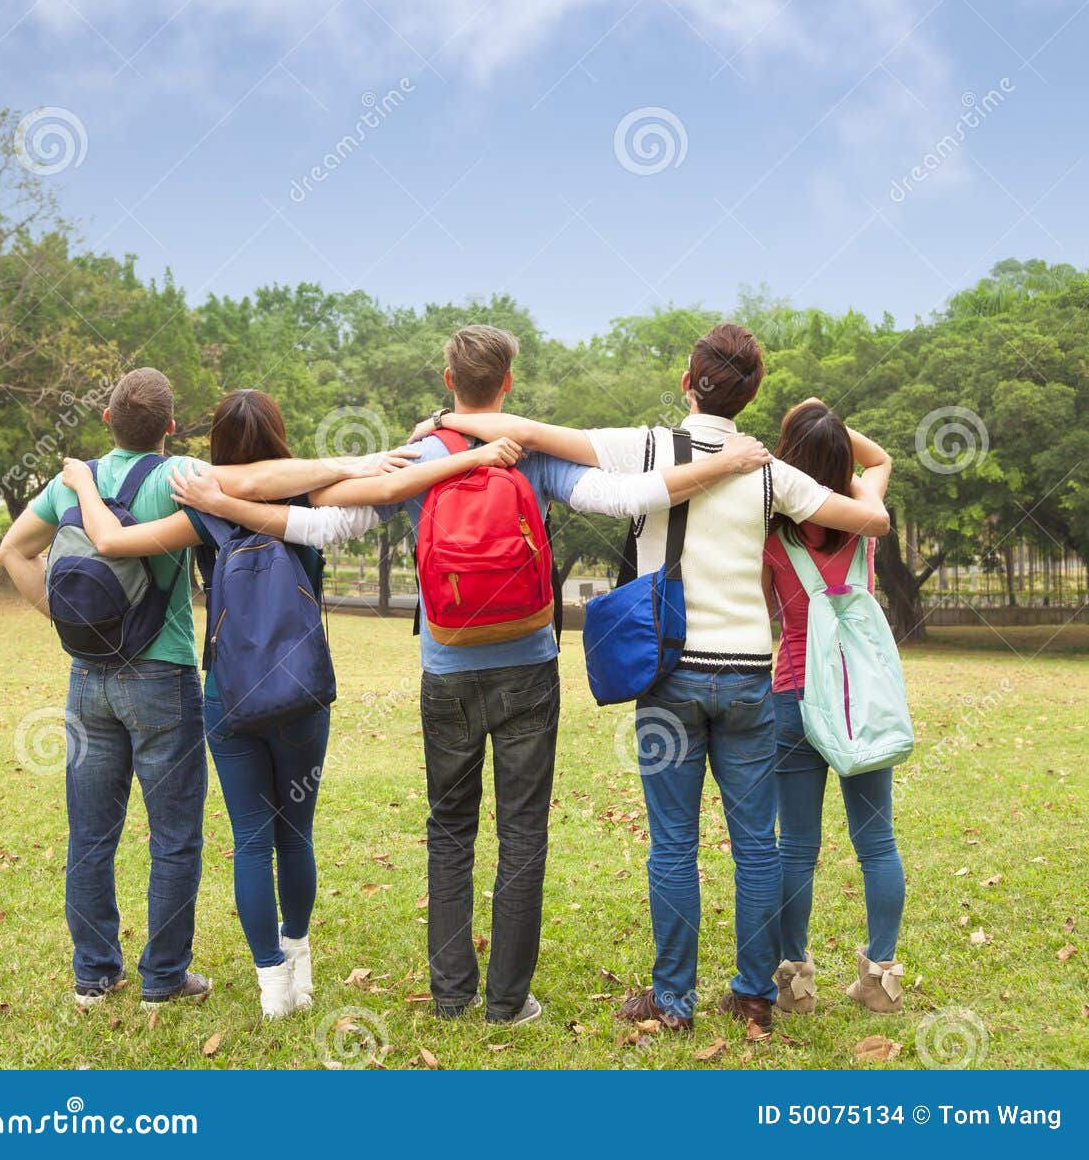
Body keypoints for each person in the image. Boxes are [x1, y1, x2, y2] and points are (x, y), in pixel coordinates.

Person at [419, 324, 892, 1033]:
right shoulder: (768, 469)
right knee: (755, 843)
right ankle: (754, 996)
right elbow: (871, 520)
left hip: (668, 675)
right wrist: (847, 446)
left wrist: (447, 420)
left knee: (673, 843)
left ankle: (672, 1000)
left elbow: (533, 431)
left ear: (686, 381)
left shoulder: (646, 446)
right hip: (747, 682)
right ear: (753, 392)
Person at [349, 324, 771, 1027]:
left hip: (446, 667)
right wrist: (720, 466)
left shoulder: (420, 452)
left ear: (449, 380)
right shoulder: (532, 455)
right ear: (508, 383)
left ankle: (452, 994)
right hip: (526, 666)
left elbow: (339, 514)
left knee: (450, 828)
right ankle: (508, 1001)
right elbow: (627, 497)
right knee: (521, 831)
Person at [60, 386, 521, 1019]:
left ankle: (273, 985)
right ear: (280, 438)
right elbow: (391, 491)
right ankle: (297, 956)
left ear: (218, 445)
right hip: (301, 689)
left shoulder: (197, 502)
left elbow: (111, 542)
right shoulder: (308, 494)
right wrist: (468, 454)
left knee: (251, 839)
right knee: (293, 834)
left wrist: (84, 482)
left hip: (229, 692)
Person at [0, 368, 212, 1011]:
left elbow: (12, 552)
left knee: (90, 834)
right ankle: (164, 979)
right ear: (171, 426)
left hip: (87, 678)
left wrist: (67, 621)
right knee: (174, 836)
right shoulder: (184, 477)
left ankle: (94, 974)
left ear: (106, 422)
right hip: (163, 674)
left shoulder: (71, 482)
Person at [763, 398, 904, 1016]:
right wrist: (830, 432)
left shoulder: (772, 529)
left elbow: (768, 612)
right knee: (876, 842)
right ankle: (881, 978)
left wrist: (805, 435)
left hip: (794, 695)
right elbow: (883, 458)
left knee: (796, 846)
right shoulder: (866, 514)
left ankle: (794, 982)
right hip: (860, 701)